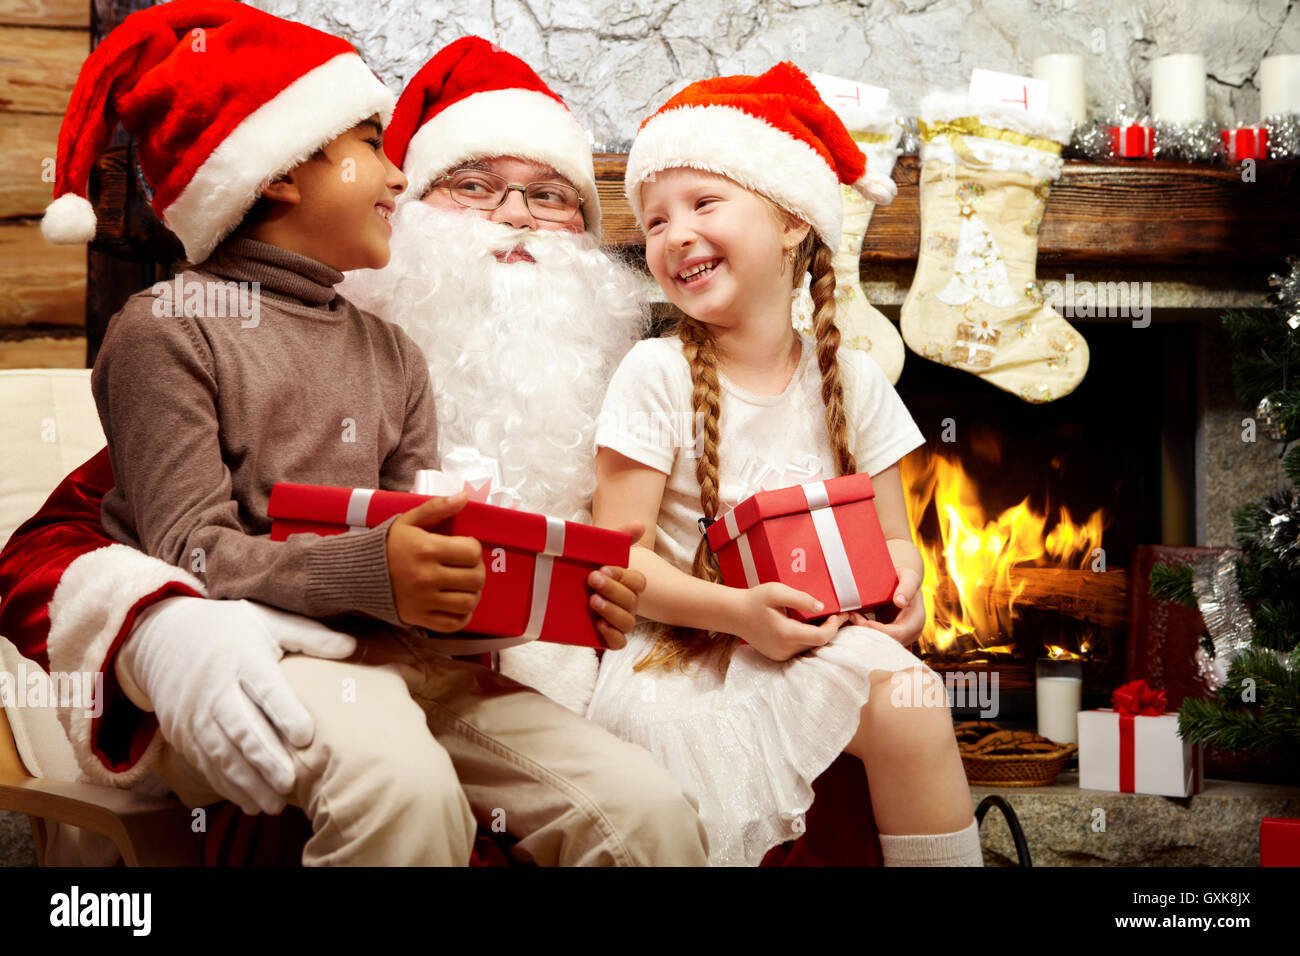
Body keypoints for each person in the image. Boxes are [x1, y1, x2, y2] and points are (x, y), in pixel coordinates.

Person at [9, 12, 707, 866]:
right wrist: (378, 569)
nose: (394, 171)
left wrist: (538, 602)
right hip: (259, 651)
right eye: (371, 145)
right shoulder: (167, 330)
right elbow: (191, 551)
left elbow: (419, 543)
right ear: (277, 176)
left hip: (409, 657)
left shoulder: (390, 350)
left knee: (648, 809)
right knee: (400, 791)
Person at [585, 63, 983, 866]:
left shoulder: (855, 380)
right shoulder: (654, 374)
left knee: (912, 695)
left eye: (703, 203)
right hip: (685, 650)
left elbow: (896, 542)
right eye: (654, 221)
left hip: (818, 640)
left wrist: (904, 591)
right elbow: (618, 561)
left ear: (793, 222)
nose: (675, 235)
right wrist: (738, 616)